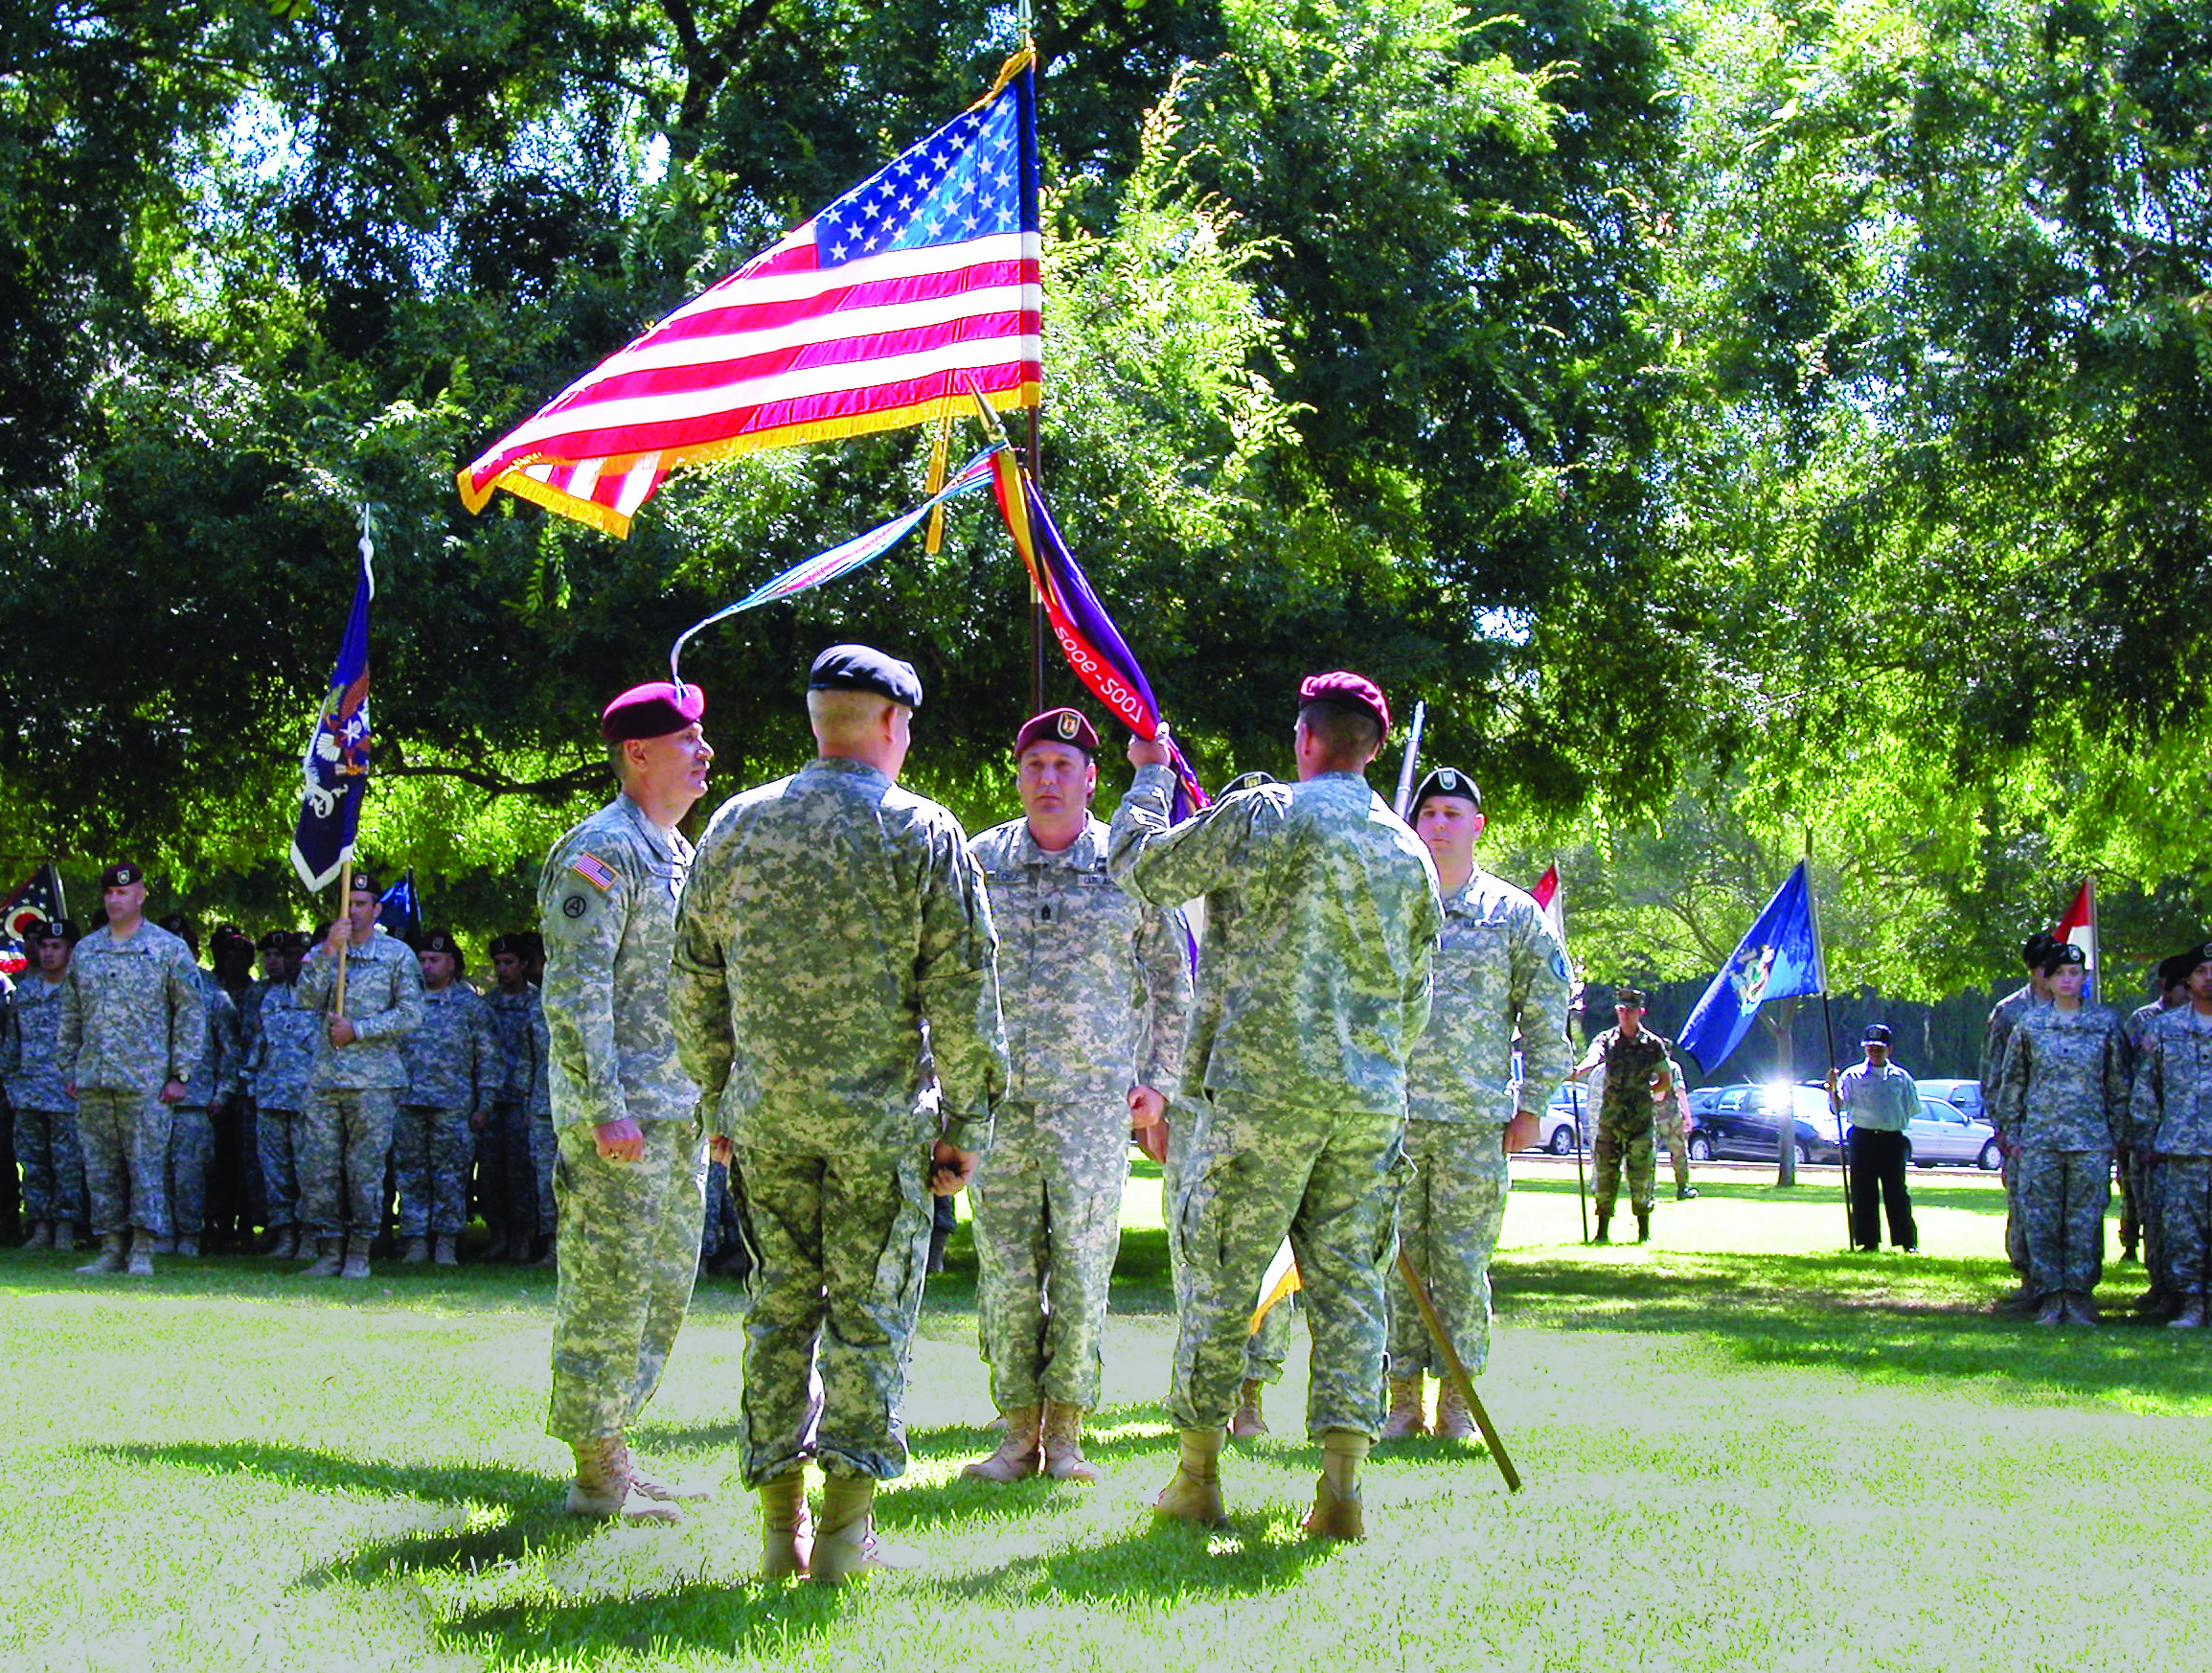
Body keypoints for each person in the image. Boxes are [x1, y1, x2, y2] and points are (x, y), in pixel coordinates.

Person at [672, 645, 1006, 1583]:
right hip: (880, 1125)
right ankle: (847, 1538)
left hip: (768, 1118)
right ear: (892, 724)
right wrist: (967, 1128)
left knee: (778, 1311)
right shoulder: (922, 832)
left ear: (820, 721)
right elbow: (967, 996)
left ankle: (782, 1534)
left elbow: (692, 983)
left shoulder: (735, 825)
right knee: (868, 1319)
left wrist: (717, 1096)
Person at [1107, 671, 1442, 1542]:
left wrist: (1148, 774)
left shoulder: (1262, 816)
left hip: (1256, 1097)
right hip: (1366, 1102)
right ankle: (1339, 1490)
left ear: (1303, 740)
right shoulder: (1406, 852)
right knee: (1349, 1295)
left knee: (1219, 1281)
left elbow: (1141, 868)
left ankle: (1199, 1477)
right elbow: (1414, 1000)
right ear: (1369, 751)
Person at [961, 707, 1190, 1485]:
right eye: (1033, 767)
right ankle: (1015, 1434)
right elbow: (945, 976)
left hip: (1092, 1108)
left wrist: (1158, 1081)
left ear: (1093, 780)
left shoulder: (1127, 866)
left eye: (1063, 767)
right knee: (1006, 1275)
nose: (1047, 780)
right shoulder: (979, 860)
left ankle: (1067, 1436)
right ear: (1017, 776)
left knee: (1084, 1268)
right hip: (1000, 1108)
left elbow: (1171, 981)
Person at [541, 678, 717, 1524]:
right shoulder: (599, 853)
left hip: (678, 1115)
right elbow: (575, 996)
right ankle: (595, 1475)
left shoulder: (677, 855)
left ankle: (614, 1449)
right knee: (608, 1294)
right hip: (622, 1122)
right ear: (638, 754)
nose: (704, 751)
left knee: (658, 1293)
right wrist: (603, 1108)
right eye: (687, 739)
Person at [1382, 767, 1570, 1441]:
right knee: (1396, 1263)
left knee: (1461, 1266)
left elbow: (1547, 1016)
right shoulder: (1390, 905)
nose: (1437, 824)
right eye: (1427, 812)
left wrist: (1532, 1106)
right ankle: (1401, 1398)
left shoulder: (1511, 914)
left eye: (1451, 813)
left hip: (1473, 1124)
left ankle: (1455, 1403)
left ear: (1476, 825)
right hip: (1393, 1119)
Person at [58, 862, 206, 1277]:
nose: (113, 900)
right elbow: (71, 1014)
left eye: (122, 893)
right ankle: (109, 1248)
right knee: (101, 1168)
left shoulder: (167, 949)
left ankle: (142, 1249)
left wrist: (182, 1074)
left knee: (145, 1167)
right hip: (94, 1079)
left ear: (141, 895)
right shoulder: (86, 950)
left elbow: (191, 1013)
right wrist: (69, 1067)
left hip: (146, 1081)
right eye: (108, 893)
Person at [295, 869, 424, 1280]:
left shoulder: (396, 956)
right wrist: (328, 952)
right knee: (320, 1168)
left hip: (373, 1081)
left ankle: (359, 1252)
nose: (353, 910)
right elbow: (304, 999)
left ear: (376, 909)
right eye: (347, 903)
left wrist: (359, 1031)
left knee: (364, 1169)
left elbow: (411, 1013)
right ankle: (329, 1249)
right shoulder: (326, 952)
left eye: (361, 903)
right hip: (326, 1080)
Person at [1992, 943, 2127, 1325]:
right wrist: (2012, 1135)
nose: (2068, 980)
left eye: (2075, 973)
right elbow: (2013, 1082)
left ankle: (2080, 1296)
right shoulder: (2029, 1025)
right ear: (2048, 981)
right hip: (2040, 1141)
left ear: (2084, 978)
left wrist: (2117, 1136)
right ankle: (2050, 1296)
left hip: (2090, 1141)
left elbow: (2117, 1084)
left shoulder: (2105, 1024)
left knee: (2085, 1220)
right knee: (2043, 1221)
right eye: (2060, 974)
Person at [396, 930, 497, 1265]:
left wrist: (485, 1103)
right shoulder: (404, 1003)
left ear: (451, 963)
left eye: (434, 960)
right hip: (407, 1103)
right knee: (410, 1175)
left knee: (450, 1176)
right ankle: (415, 1242)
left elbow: (486, 1057)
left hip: (453, 1105)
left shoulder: (469, 1005)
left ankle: (446, 1243)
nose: (427, 966)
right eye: (422, 960)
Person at [2129, 944, 2212, 1326]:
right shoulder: (2164, 1029)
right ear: (2188, 981)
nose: (2209, 978)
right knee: (2185, 1230)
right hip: (2182, 1150)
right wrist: (2147, 1141)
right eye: (2201, 972)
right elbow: (2147, 1090)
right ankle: (2192, 1304)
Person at [154, 916, 241, 1258]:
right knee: (155, 1174)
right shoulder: (147, 988)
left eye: (184, 947)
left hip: (196, 1102)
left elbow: (230, 1050)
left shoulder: (213, 993)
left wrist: (223, 1094)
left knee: (190, 1175)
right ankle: (160, 1235)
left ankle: (189, 1235)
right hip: (152, 1100)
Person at [1982, 931, 2057, 1310]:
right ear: (2032, 969)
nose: (2051, 974)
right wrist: (2002, 1126)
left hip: (2067, 1127)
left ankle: (2067, 1288)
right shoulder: (2009, 1012)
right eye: (2045, 967)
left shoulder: (2075, 1008)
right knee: (2025, 1206)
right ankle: (2030, 1281)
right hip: (2022, 1128)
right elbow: (1993, 1072)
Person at [4, 919, 86, 1250]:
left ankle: (65, 1227)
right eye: (45, 946)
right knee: (34, 1164)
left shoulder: (81, 992)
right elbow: (13, 1042)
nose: (48, 952)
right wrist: (10, 1083)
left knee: (67, 1163)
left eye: (57, 946)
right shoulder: (26, 992)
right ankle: (40, 1227)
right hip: (28, 1091)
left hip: (66, 1094)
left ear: (71, 950)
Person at [1570, 989, 1675, 1244]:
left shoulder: (1652, 1045)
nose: (1624, 1014)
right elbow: (1593, 1058)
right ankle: (1601, 1231)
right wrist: (1578, 1070)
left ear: (1640, 1012)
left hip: (1639, 1121)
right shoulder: (1606, 1039)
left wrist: (1644, 1093)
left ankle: (1643, 1231)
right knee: (1605, 1173)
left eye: (1629, 1010)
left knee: (1641, 1176)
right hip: (1610, 1120)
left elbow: (1665, 1080)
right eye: (1621, 1010)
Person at [2122, 951, 2193, 1312]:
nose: (2186, 991)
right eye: (2180, 984)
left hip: (2193, 1140)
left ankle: (2189, 1293)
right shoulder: (2147, 1021)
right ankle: (2162, 1286)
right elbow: (2130, 1072)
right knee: (2153, 1213)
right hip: (2152, 1136)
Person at [248, 931, 317, 1259]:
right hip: (272, 1098)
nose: (293, 962)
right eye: (289, 956)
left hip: (309, 1102)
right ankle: (285, 1235)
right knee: (276, 1174)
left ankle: (309, 1237)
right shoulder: (271, 998)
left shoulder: (325, 999)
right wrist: (251, 1083)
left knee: (309, 1172)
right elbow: (259, 1045)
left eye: (300, 956)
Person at [1830, 1023, 1920, 1253]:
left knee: (1896, 1191)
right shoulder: (1852, 1076)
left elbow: (1911, 1108)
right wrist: (1831, 1086)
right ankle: (1868, 1241)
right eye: (1870, 1047)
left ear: (1889, 1049)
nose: (1874, 1052)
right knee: (1863, 1190)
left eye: (1879, 1048)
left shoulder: (1901, 1077)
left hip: (1892, 1140)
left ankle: (1907, 1242)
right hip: (1863, 1138)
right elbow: (1838, 1106)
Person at [480, 934, 543, 1261]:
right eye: (498, 964)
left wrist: (534, 1101)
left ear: (523, 965)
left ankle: (523, 1237)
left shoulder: (537, 1003)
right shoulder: (487, 1005)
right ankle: (498, 1234)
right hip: (492, 1099)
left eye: (509, 963)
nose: (503, 970)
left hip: (523, 1099)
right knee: (491, 1172)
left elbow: (540, 1056)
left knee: (522, 1170)